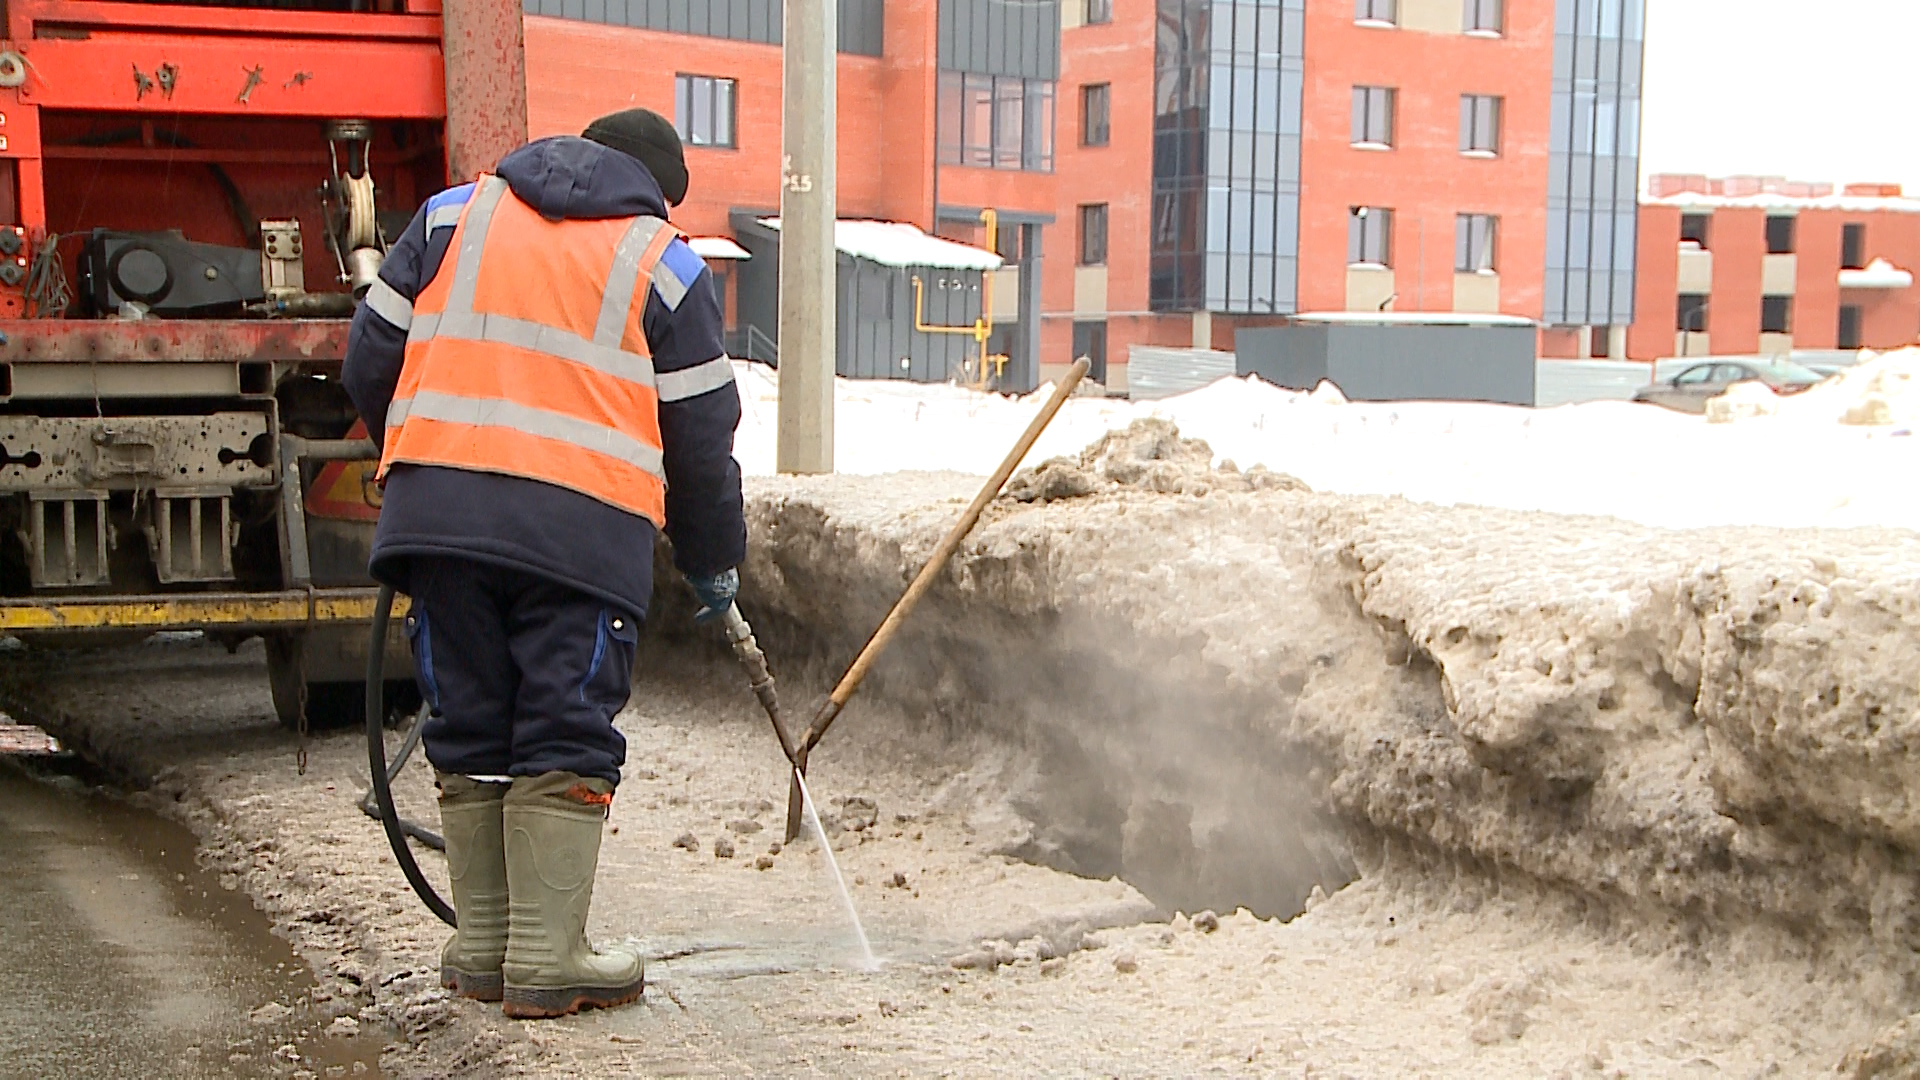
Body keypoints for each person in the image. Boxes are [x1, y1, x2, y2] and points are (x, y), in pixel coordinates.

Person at [342, 109, 745, 1020]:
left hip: (438, 525)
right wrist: (712, 559)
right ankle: (547, 955)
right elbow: (700, 440)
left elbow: (368, 358)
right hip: (579, 538)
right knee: (564, 719)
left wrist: (422, 463)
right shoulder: (663, 264)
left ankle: (485, 946)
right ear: (656, 191)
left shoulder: (452, 216)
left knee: (469, 713)